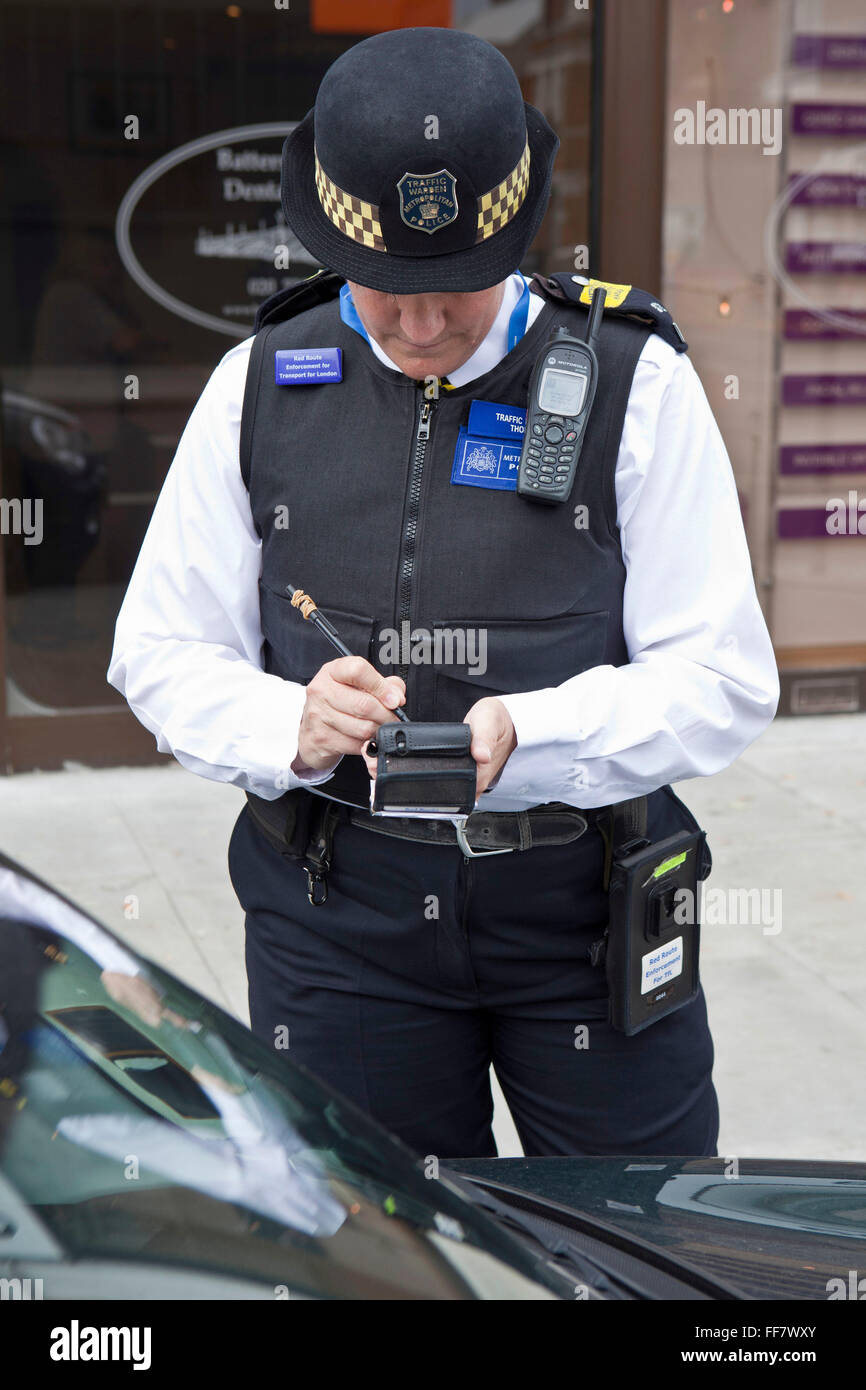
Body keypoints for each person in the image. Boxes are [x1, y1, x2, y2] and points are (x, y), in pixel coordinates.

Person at [108, 27, 779, 1161]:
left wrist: (531, 730)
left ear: (513, 238)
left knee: (643, 1239)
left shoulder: (632, 379)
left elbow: (721, 678)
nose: (420, 328)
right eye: (388, 294)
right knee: (382, 1259)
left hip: (584, 904)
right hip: (338, 916)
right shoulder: (263, 382)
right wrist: (290, 721)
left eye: (456, 292)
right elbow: (158, 649)